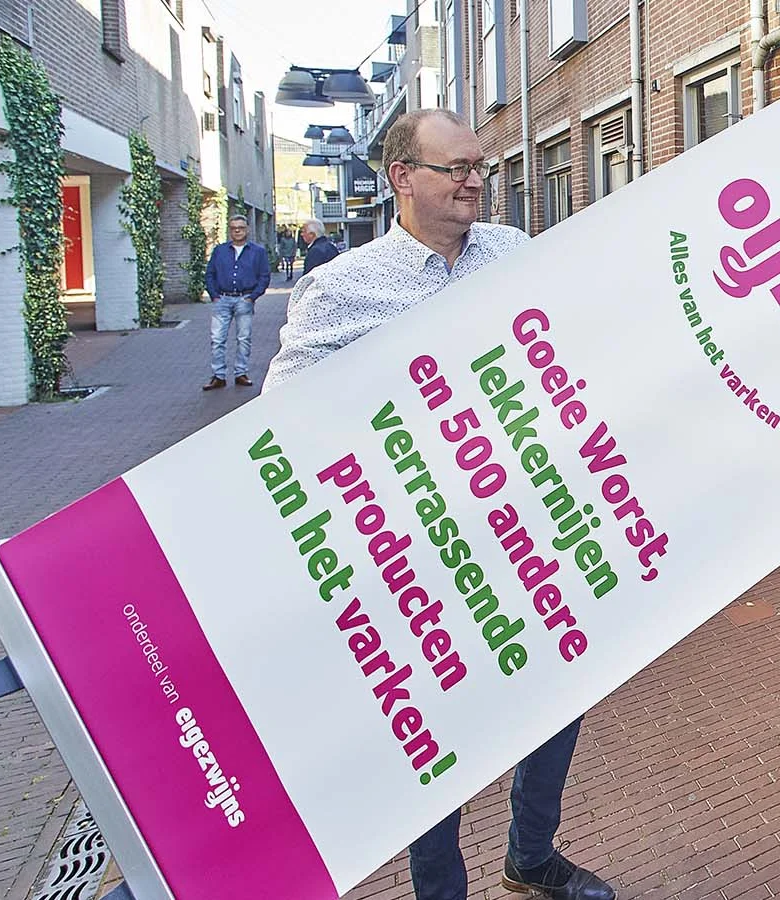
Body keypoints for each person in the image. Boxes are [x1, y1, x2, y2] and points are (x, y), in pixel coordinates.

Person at [266, 109, 615, 900]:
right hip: (421, 552)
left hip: (532, 531)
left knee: (563, 691)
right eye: (456, 168)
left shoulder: (516, 253)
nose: (474, 182)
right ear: (403, 177)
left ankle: (531, 856)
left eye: (478, 167)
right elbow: (280, 425)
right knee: (439, 733)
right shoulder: (342, 289)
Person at [201, 215, 269, 390]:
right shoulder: (220, 251)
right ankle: (218, 376)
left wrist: (253, 296)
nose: (237, 230)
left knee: (244, 338)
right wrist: (214, 294)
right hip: (222, 299)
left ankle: (241, 373)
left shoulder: (258, 252)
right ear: (229, 230)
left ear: (247, 229)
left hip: (244, 299)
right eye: (233, 228)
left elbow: (264, 276)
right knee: (217, 339)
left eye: (240, 227)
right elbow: (210, 274)